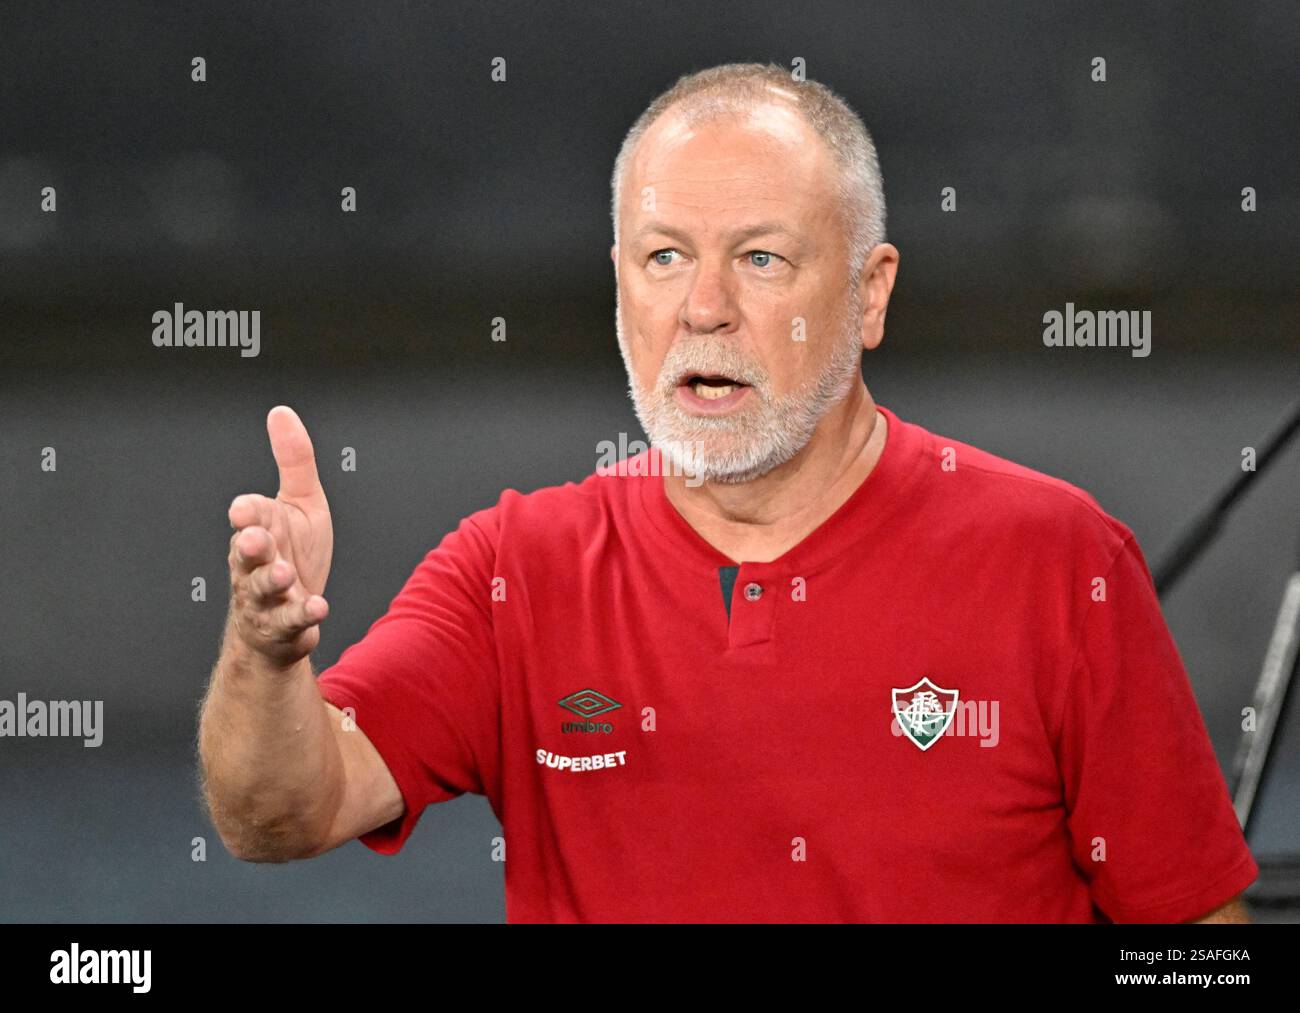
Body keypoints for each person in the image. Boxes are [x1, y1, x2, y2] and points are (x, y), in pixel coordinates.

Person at [197, 63, 1256, 923]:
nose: (702, 307)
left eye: (759, 258)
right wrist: (265, 650)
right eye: (664, 258)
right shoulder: (510, 569)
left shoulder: (1058, 557)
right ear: (619, 288)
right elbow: (278, 813)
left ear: (869, 292)